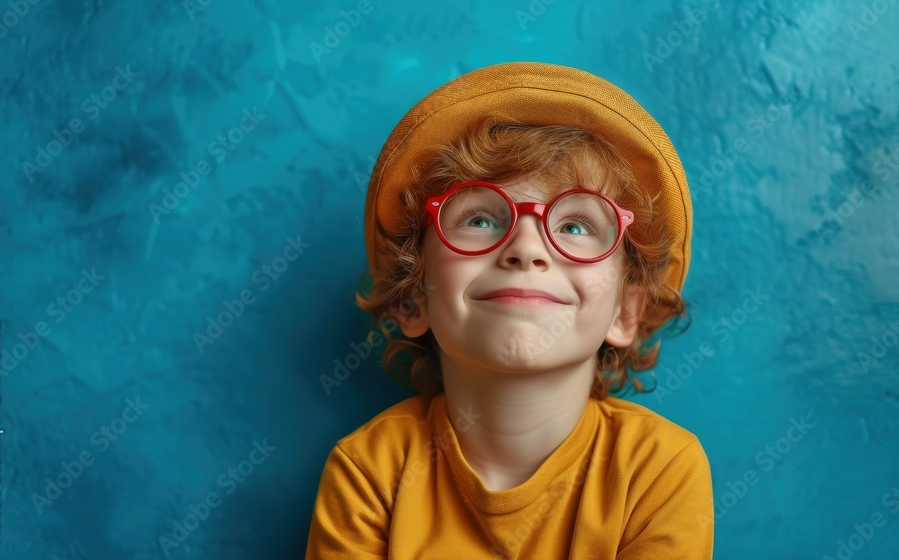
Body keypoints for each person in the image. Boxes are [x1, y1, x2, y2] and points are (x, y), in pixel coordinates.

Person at [306, 61, 713, 559]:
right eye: (478, 218)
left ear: (625, 312)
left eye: (577, 226)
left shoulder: (659, 468)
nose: (526, 248)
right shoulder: (368, 470)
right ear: (413, 297)